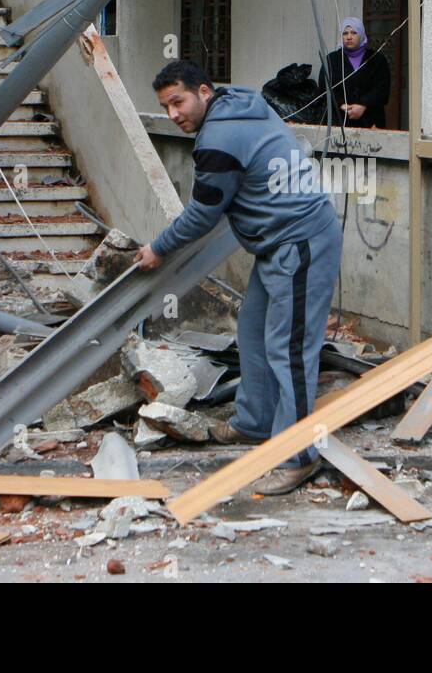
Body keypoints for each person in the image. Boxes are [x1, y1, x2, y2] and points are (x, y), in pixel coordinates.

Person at [134, 60, 343, 496]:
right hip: (277, 243)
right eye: (165, 106)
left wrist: (157, 248)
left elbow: (202, 215)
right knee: (252, 332)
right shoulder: (240, 103)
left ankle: (301, 455)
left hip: (301, 240)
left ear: (204, 92)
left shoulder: (219, 138)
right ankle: (255, 423)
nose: (173, 114)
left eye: (178, 101)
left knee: (290, 350)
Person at [325, 17, 391, 129]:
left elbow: (382, 88)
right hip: (340, 120)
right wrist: (342, 105)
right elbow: (325, 87)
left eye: (354, 33)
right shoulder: (332, 60)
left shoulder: (376, 59)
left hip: (371, 121)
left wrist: (363, 105)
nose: (349, 37)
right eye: (345, 33)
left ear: (361, 34)